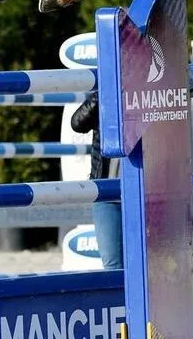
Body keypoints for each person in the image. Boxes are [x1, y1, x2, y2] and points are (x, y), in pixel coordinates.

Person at [70, 92, 123, 269]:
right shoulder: (107, 94)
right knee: (112, 264)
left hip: (145, 192)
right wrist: (101, 95)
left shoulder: (155, 90)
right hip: (107, 191)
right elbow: (77, 123)